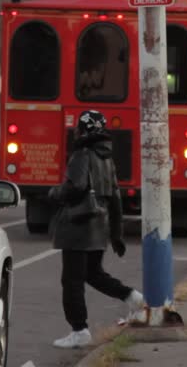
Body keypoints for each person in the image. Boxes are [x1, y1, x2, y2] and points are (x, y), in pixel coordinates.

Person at [48, 110, 145, 348]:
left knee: (71, 281)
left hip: (78, 226)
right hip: (98, 227)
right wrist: (116, 234)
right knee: (93, 274)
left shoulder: (82, 154)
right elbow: (115, 199)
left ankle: (79, 329)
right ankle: (133, 298)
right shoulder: (107, 158)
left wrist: (55, 193)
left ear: (82, 130)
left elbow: (75, 186)